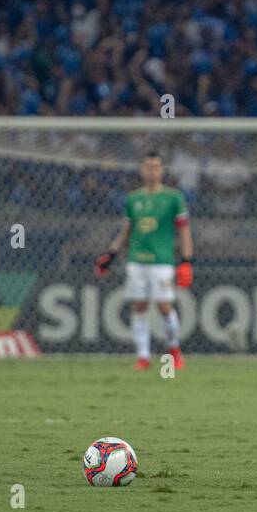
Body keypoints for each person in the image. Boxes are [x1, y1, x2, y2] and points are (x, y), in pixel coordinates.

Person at [94, 151, 193, 370]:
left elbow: (185, 231)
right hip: (137, 260)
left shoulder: (174, 198)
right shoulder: (133, 199)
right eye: (148, 166)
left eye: (155, 167)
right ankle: (143, 356)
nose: (151, 171)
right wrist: (111, 254)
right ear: (142, 170)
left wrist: (186, 260)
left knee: (165, 307)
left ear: (162, 170)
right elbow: (126, 232)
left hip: (162, 261)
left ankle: (174, 349)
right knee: (139, 307)